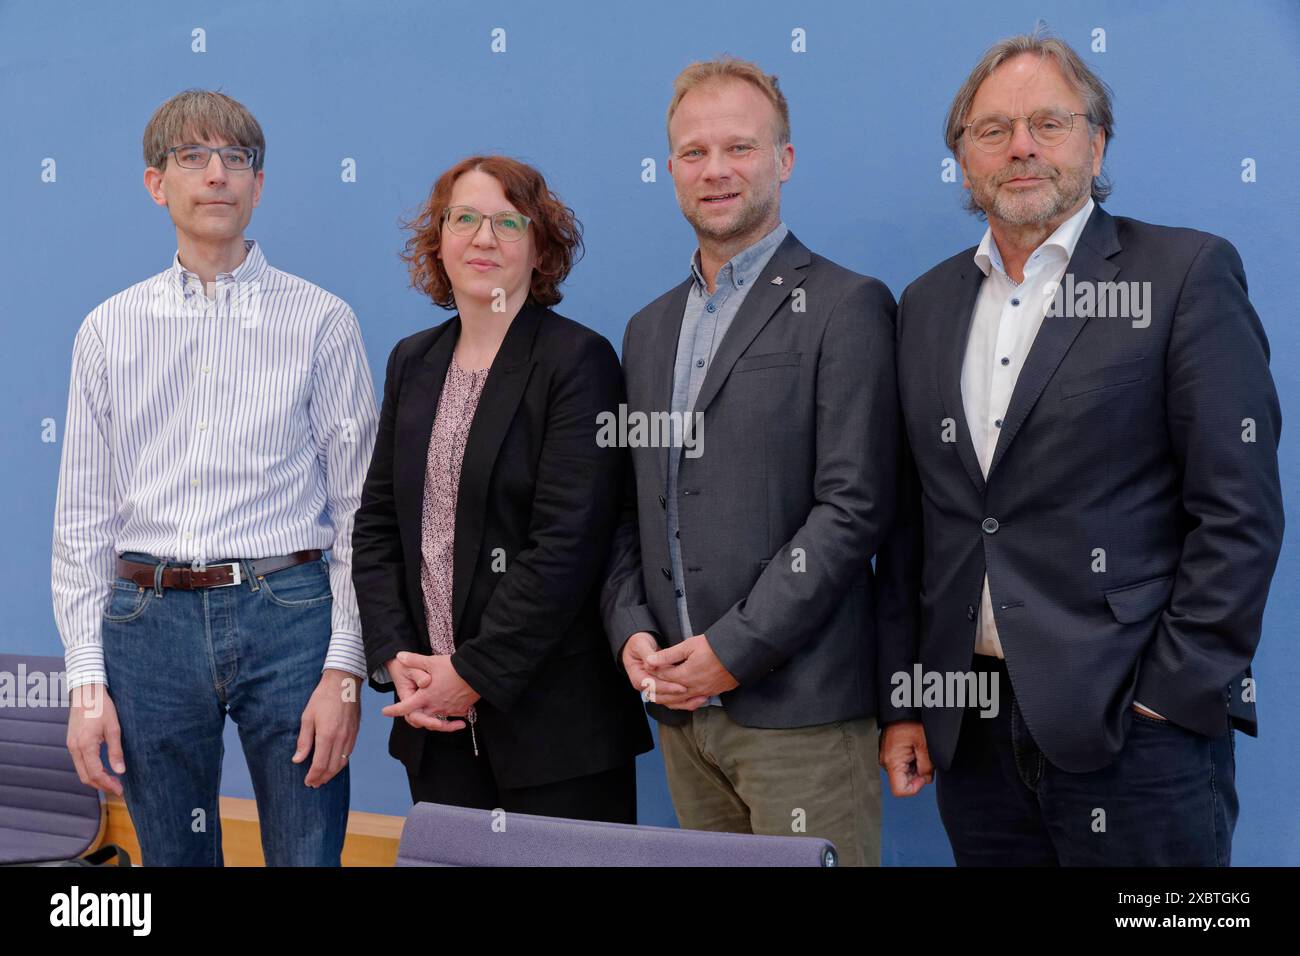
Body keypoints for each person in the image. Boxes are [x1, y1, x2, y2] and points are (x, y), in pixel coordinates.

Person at [878, 32, 1284, 865]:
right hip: (973, 729)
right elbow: (913, 522)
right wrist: (908, 699)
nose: (1020, 146)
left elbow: (1238, 511)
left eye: (1048, 123)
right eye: (992, 130)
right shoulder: (926, 304)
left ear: (1096, 142)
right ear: (963, 158)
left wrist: (1172, 695)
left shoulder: (1182, 274)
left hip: (1137, 731)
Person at [52, 89, 378, 866]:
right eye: (193, 157)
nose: (218, 175)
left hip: (291, 616)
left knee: (307, 858)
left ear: (258, 186)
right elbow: (82, 524)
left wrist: (346, 668)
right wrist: (85, 683)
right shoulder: (106, 330)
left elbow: (363, 510)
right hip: (145, 626)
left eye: (237, 159)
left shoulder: (322, 321)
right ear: (156, 183)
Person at [601, 58, 902, 866]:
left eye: (740, 146)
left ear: (785, 159)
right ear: (670, 170)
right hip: (676, 709)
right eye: (694, 153)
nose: (717, 169)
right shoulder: (647, 329)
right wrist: (630, 627)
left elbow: (854, 508)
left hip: (801, 711)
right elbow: (635, 506)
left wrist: (732, 651)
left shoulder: (847, 304)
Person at [352, 156, 652, 821]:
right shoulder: (413, 360)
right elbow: (377, 527)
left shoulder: (578, 361)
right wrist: (395, 658)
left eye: (507, 222)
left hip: (556, 734)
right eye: (464, 219)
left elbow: (566, 547)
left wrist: (474, 676)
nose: (482, 239)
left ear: (540, 246)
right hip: (436, 727)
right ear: (439, 238)